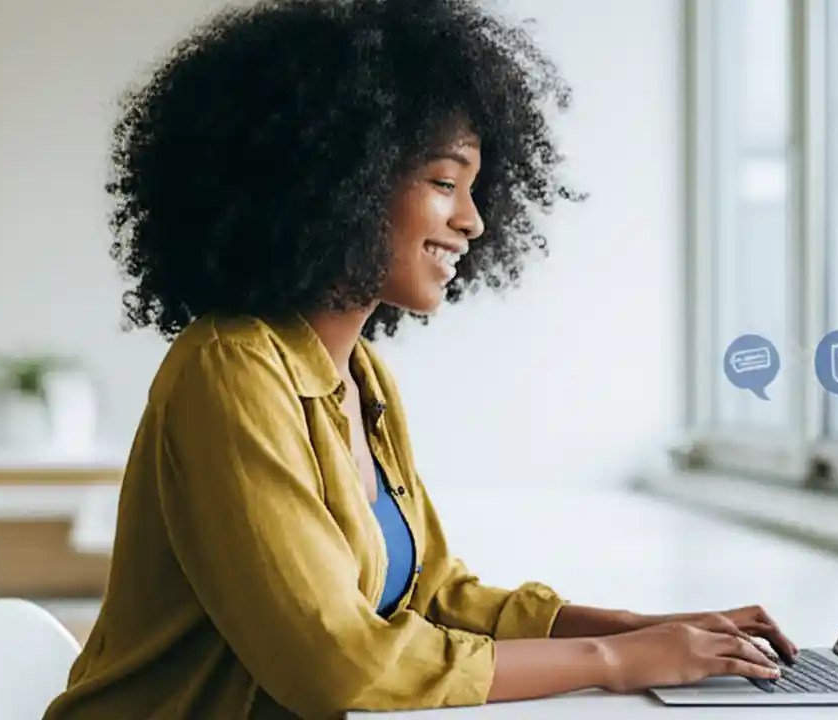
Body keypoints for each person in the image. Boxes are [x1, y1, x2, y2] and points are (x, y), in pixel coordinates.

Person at [42, 1, 797, 718]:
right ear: (338, 178)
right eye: (444, 183)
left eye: (473, 189)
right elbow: (335, 662)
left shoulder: (359, 379)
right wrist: (613, 660)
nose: (471, 221)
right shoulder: (230, 369)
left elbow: (434, 595)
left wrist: (647, 631)